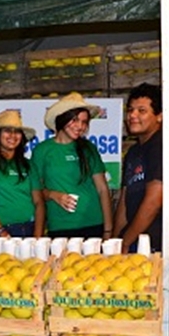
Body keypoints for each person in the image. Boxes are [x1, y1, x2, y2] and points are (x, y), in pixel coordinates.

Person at [113, 83, 169, 253]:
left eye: (142, 111)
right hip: (136, 242)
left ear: (159, 116)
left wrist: (125, 242)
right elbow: (124, 201)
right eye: (130, 110)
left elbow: (154, 201)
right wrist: (115, 241)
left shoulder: (164, 147)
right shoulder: (134, 152)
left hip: (161, 244)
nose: (132, 115)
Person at [30, 92, 113, 239]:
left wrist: (108, 230)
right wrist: (53, 195)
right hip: (60, 226)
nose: (80, 126)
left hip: (94, 224)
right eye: (74, 120)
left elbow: (102, 189)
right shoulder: (42, 150)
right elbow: (35, 192)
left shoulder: (89, 148)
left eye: (84, 122)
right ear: (62, 119)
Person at [0, 110, 45, 238]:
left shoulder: (28, 165)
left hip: (30, 229)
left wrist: (38, 235)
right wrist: (1, 232)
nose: (13, 135)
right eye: (7, 130)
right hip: (2, 231)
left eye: (17, 131)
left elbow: (39, 202)